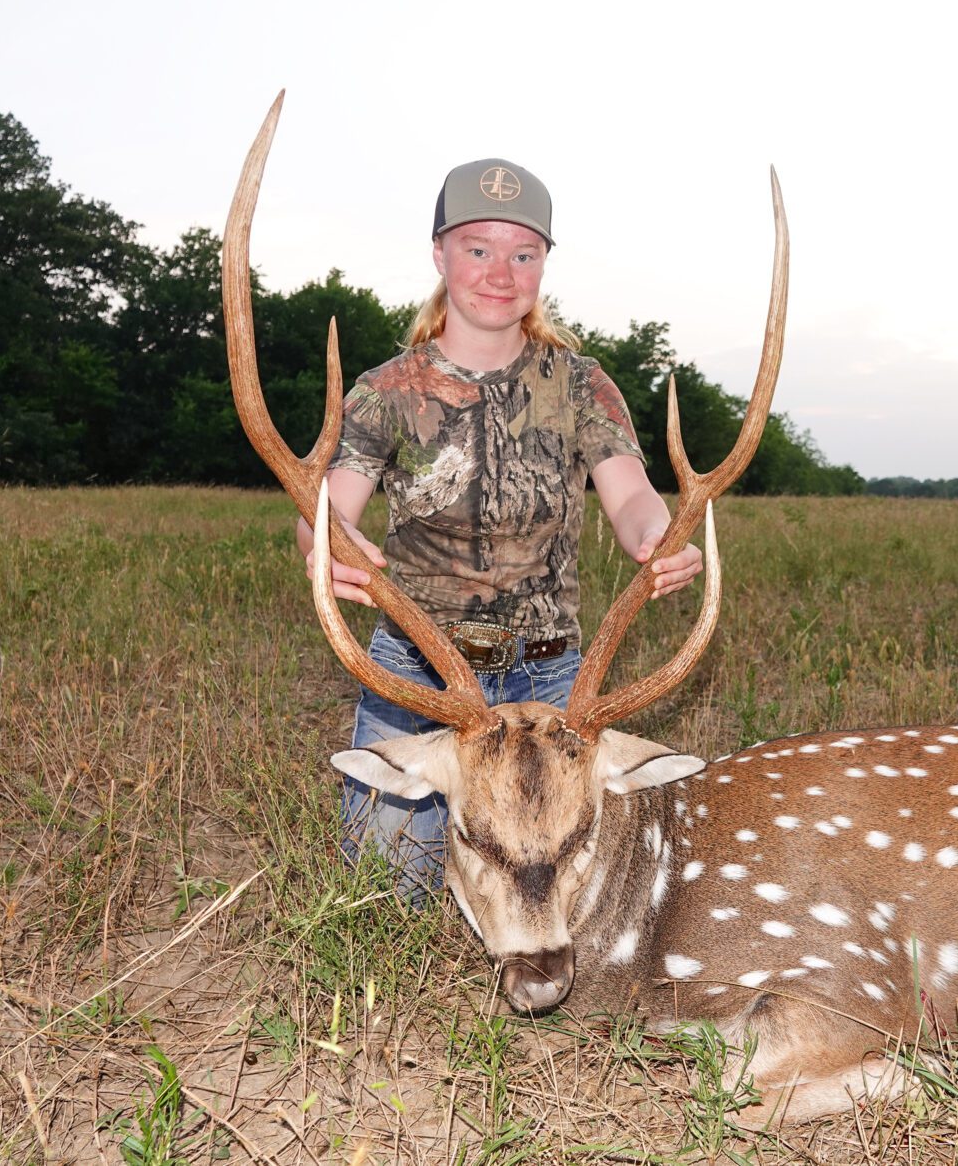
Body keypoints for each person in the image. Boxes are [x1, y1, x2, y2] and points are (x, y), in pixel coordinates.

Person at [296, 158, 701, 900]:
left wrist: (661, 538)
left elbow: (633, 495)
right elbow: (323, 510)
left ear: (544, 262)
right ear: (440, 253)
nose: (499, 272)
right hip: (420, 676)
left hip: (552, 684)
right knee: (387, 900)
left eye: (523, 253)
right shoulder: (385, 391)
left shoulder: (583, 386)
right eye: (478, 248)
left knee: (582, 894)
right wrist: (328, 548)